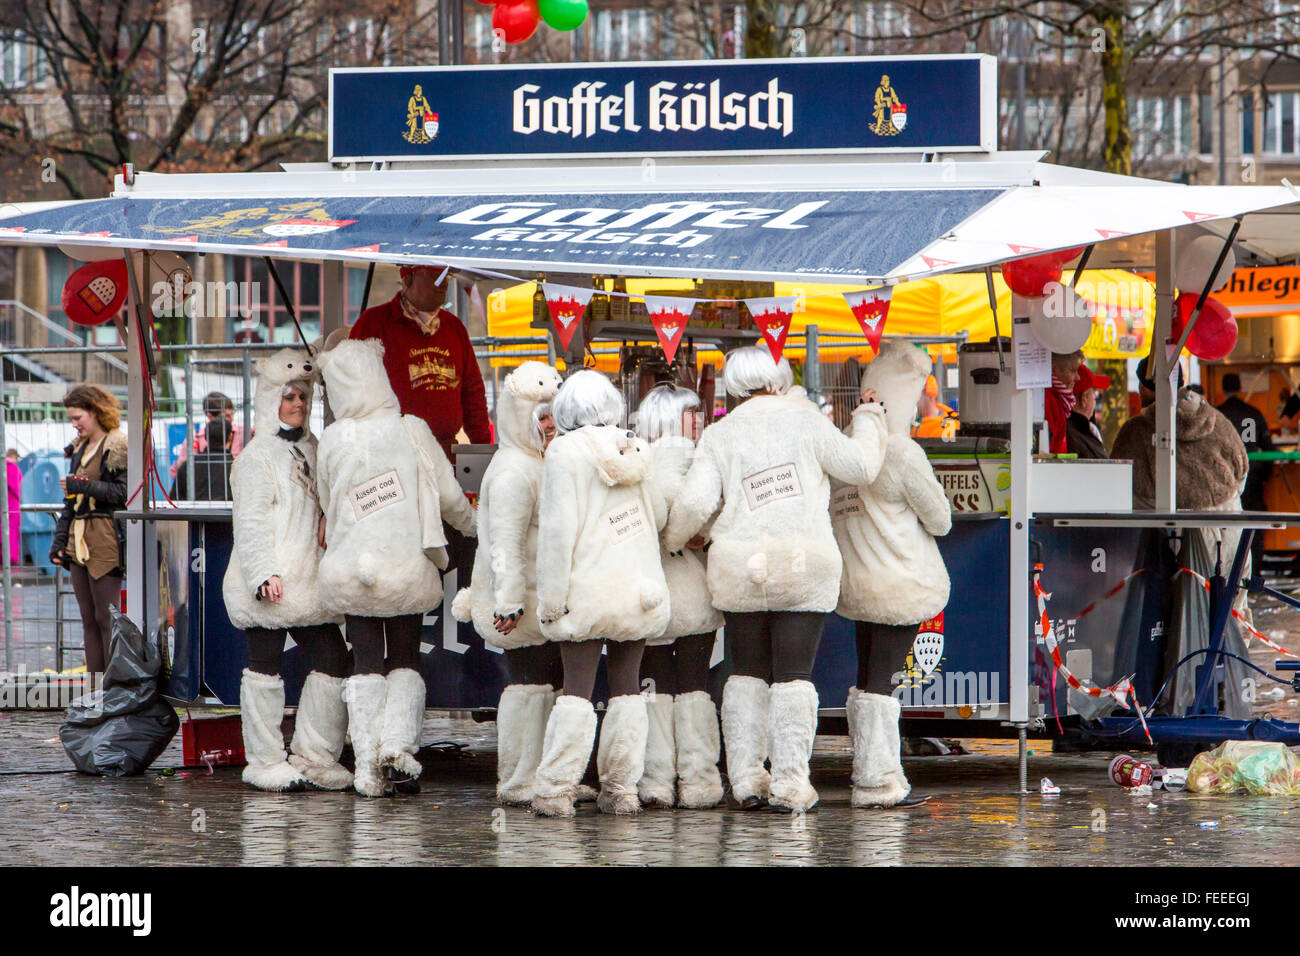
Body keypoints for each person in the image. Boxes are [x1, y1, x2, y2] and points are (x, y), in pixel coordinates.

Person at [663, 346, 888, 813]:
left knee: (744, 672)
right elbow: (862, 467)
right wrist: (869, 416)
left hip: (741, 568)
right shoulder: (806, 420)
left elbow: (693, 503)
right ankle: (790, 782)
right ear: (779, 377)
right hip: (803, 566)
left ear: (734, 384)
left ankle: (746, 779)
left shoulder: (721, 434)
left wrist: (675, 539)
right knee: (793, 677)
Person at [315, 338, 477, 797]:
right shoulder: (412, 429)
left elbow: (328, 502)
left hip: (351, 570)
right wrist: (476, 525)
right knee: (405, 658)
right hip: (405, 568)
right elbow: (448, 496)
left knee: (365, 664)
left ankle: (367, 768)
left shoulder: (332, 438)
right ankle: (399, 749)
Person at [531, 370, 670, 818]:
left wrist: (551, 600)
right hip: (638, 587)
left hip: (587, 589)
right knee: (628, 690)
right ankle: (621, 790)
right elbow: (660, 513)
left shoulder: (564, 453)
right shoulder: (635, 446)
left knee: (576, 691)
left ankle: (555, 789)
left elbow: (557, 532)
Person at [222, 349, 352, 793]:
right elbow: (251, 522)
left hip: (309, 583)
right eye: (289, 395)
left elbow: (326, 499)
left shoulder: (314, 448)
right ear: (272, 399)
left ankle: (314, 755)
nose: (297, 403)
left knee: (334, 659)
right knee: (264, 668)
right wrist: (263, 573)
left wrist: (327, 517)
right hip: (271, 581)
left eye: (303, 396)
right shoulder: (257, 456)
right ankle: (264, 760)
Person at [833, 341, 950, 809]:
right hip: (899, 585)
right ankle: (878, 783)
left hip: (858, 583)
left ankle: (867, 771)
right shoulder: (903, 454)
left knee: (866, 680)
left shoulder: (847, 449)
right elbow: (940, 519)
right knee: (882, 686)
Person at [450, 361, 566, 806]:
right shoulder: (515, 470)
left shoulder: (536, 462)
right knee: (527, 686)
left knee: (546, 684)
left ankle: (545, 774)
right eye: (541, 416)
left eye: (553, 413)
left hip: (538, 600)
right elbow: (504, 544)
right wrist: (510, 601)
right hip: (520, 603)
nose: (550, 424)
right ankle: (520, 780)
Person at [634, 384, 726, 810]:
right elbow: (708, 524)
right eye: (692, 414)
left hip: (649, 599)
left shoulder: (636, 466)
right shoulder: (696, 466)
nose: (701, 421)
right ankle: (699, 779)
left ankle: (654, 779)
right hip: (693, 597)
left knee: (654, 690)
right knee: (694, 688)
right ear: (671, 419)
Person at [349, 265, 492, 457]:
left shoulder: (454, 327)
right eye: (436, 276)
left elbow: (472, 392)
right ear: (408, 279)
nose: (444, 284)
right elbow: (353, 391)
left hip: (446, 455)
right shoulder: (374, 323)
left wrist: (482, 448)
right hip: (392, 456)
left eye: (447, 277)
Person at [50, 385, 128, 675]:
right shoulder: (80, 448)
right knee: (88, 619)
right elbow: (71, 503)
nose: (74, 423)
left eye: (77, 417)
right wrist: (59, 542)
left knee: (106, 617)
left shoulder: (117, 445)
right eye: (71, 418)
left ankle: (113, 690)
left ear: (95, 412)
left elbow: (122, 493)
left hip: (105, 537)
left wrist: (81, 485)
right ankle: (95, 689)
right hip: (78, 538)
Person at [171, 392, 243, 479]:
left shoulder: (244, 433)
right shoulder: (196, 440)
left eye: (232, 414)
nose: (232, 419)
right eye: (227, 416)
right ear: (210, 416)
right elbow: (178, 473)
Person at [173, 418, 234, 501]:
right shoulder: (236, 467)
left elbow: (175, 499)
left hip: (194, 513)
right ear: (230, 437)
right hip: (228, 513)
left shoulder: (188, 466)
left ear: (205, 437)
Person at [1066, 365, 1110, 460]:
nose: (1094, 397)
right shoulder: (1077, 434)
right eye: (1093, 392)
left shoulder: (1070, 430)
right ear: (1084, 399)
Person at [1045, 350, 1085, 454]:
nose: (1078, 377)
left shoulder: (1057, 399)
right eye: (1072, 371)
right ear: (1055, 369)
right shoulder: (1048, 398)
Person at [5, 449, 20, 567]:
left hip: (3, 505)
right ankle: (11, 558)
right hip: (12, 505)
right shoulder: (13, 468)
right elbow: (16, 488)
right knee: (12, 533)